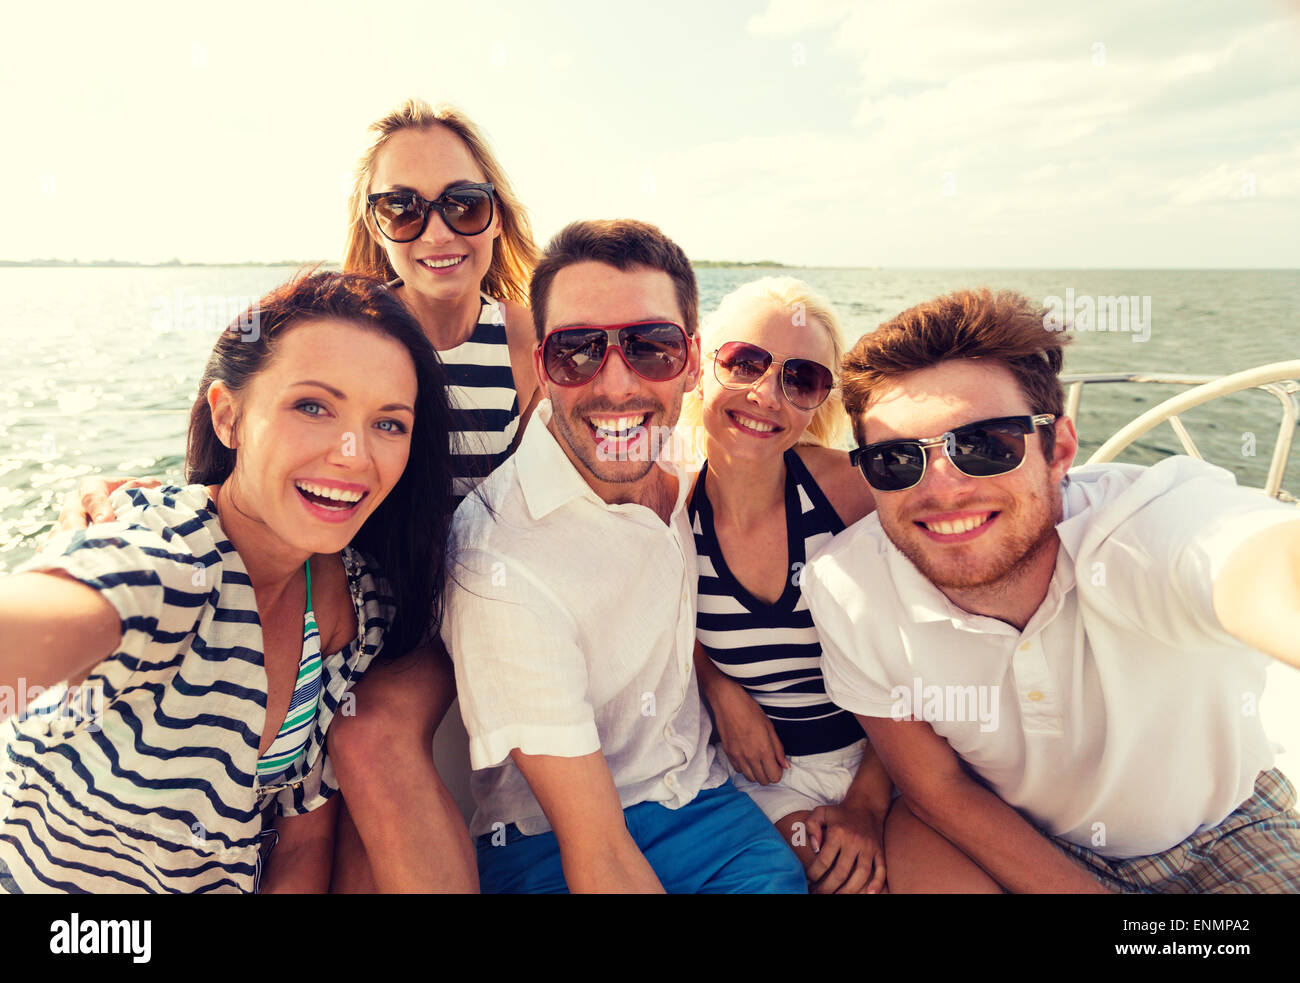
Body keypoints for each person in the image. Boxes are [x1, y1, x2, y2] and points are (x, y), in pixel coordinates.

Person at [53, 99, 541, 891]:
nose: (438, 232)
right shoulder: (351, 334)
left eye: (463, 204)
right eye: (402, 208)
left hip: (461, 603)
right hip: (356, 601)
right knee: (335, 808)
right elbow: (245, 436)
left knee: (368, 742)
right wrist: (125, 497)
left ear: (495, 216)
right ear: (374, 222)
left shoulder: (526, 343)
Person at [802, 287, 1300, 893]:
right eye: (896, 460)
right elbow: (936, 788)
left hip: (1222, 832)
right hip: (1008, 835)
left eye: (985, 445)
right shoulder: (847, 585)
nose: (942, 489)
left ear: (1059, 448)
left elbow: (1258, 563)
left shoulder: (1146, 531)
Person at [0, 272, 455, 893]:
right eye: (313, 406)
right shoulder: (168, 556)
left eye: (389, 423)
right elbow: (40, 621)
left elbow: (303, 837)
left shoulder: (359, 608)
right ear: (228, 418)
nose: (354, 454)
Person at [443, 218, 809, 893]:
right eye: (577, 352)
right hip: (552, 839)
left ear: (693, 360)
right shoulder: (498, 561)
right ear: (540, 366)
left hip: (704, 797)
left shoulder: (701, 466)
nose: (616, 385)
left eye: (651, 347)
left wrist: (717, 681)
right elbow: (599, 853)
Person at [677, 277, 890, 893]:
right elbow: (649, 613)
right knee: (831, 877)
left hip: (888, 764)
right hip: (766, 782)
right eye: (743, 362)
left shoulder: (850, 493)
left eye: (801, 379)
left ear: (819, 401)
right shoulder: (667, 501)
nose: (765, 394)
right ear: (702, 366)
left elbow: (920, 661)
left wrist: (870, 805)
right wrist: (717, 686)